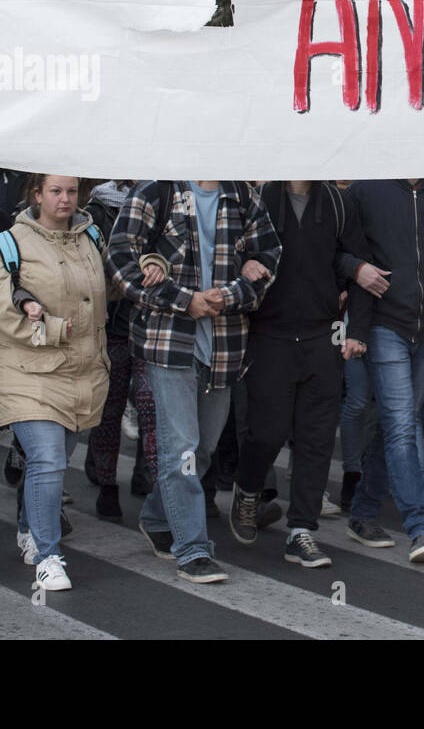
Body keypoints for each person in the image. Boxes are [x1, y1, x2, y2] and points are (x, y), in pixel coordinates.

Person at [108, 179, 281, 584]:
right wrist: (184, 299)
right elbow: (119, 259)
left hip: (224, 345)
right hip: (169, 344)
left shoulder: (242, 195)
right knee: (182, 449)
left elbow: (270, 255)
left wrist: (232, 293)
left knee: (201, 450)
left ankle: (155, 516)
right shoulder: (157, 190)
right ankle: (193, 549)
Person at [230, 180, 374, 568]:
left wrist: (357, 330)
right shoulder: (258, 199)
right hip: (269, 333)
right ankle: (247, 490)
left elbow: (358, 263)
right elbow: (226, 249)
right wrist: (240, 262)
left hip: (321, 333)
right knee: (267, 431)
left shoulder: (338, 203)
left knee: (317, 436)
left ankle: (302, 530)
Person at [0, 175, 115, 590]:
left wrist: (150, 266)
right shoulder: (9, 244)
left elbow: (109, 290)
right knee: (47, 459)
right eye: (55, 191)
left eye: (72, 191)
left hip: (83, 372)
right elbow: (3, 313)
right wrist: (55, 330)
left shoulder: (91, 235)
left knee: (52, 461)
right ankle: (48, 555)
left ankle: (27, 527)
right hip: (27, 374)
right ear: (37, 195)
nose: (65, 199)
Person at [344, 178, 424, 563]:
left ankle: (362, 512)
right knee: (404, 424)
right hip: (385, 323)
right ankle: (421, 527)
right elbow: (339, 248)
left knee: (397, 423)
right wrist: (357, 267)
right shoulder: (366, 190)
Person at [83, 180, 158, 520]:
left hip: (147, 321)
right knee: (110, 408)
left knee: (149, 405)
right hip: (111, 320)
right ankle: (108, 483)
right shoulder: (98, 208)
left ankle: (152, 478)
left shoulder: (157, 202)